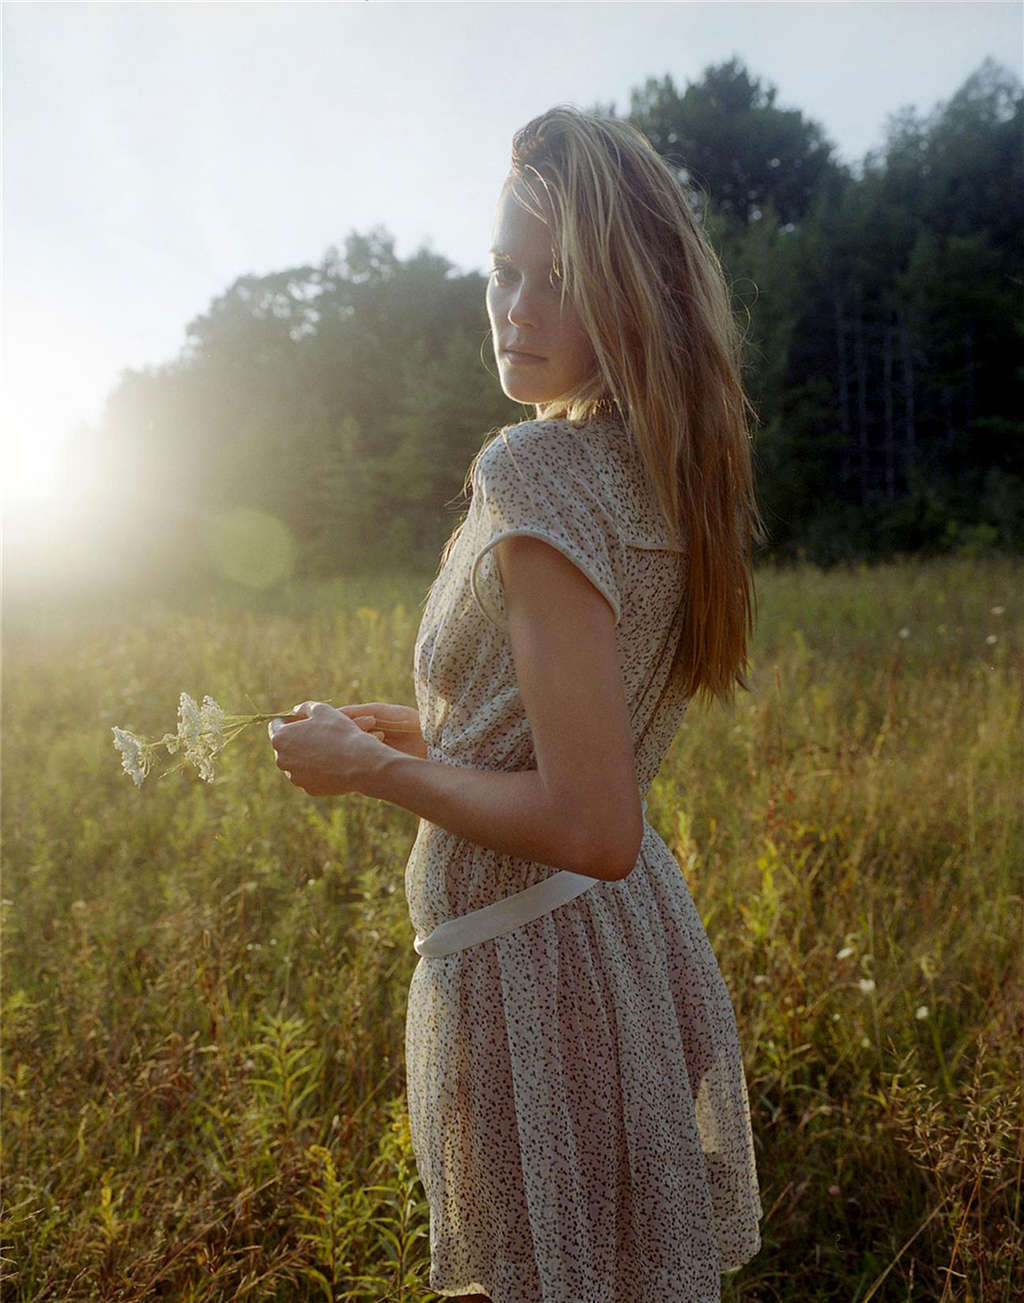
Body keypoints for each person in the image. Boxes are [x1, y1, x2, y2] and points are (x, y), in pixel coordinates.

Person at [270, 106, 763, 1303]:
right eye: (503, 272)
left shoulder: (532, 470)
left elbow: (595, 824)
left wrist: (371, 771)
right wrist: (437, 736)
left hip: (535, 968)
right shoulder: (656, 467)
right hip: (610, 948)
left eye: (561, 282)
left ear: (629, 299)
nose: (518, 310)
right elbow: (575, 741)